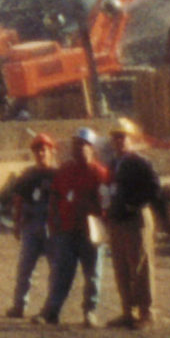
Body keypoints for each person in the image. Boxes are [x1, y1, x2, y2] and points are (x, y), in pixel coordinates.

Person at [101, 120, 170, 330]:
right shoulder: (113, 164)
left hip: (136, 218)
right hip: (118, 219)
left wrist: (134, 205)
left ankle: (146, 313)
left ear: (131, 139)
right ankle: (127, 312)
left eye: (123, 137)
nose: (119, 141)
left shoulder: (140, 162)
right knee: (121, 267)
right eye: (116, 138)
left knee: (140, 266)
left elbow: (155, 188)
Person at [37, 128, 105, 326]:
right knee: (61, 274)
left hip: (90, 233)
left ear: (92, 149)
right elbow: (55, 198)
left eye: (84, 145)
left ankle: (90, 312)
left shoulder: (100, 173)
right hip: (67, 231)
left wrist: (101, 220)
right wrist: (54, 223)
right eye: (77, 145)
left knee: (93, 274)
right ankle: (52, 312)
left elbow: (107, 202)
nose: (80, 149)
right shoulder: (65, 171)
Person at [0, 133, 59, 318]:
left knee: (56, 270)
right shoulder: (27, 175)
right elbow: (18, 200)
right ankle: (19, 306)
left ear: (51, 152)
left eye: (44, 150)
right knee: (25, 268)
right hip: (31, 224)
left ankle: (51, 309)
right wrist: (17, 223)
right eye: (37, 150)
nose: (41, 153)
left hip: (52, 225)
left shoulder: (58, 175)